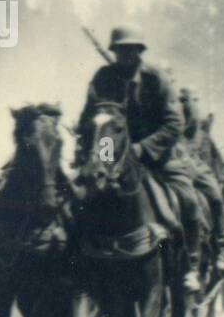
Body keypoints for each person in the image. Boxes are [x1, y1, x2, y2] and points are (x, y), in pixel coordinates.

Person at [75, 27, 207, 291]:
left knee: (190, 203)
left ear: (139, 52)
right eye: (121, 49)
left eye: (131, 49)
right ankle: (78, 269)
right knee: (76, 200)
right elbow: (88, 118)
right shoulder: (103, 78)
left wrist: (140, 149)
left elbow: (173, 123)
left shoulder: (156, 79)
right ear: (115, 51)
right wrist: (100, 150)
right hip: (111, 157)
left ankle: (189, 267)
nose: (126, 55)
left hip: (155, 159)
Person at [178, 88, 224, 271]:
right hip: (160, 160)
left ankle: (220, 246)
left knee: (216, 197)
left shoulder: (198, 126)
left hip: (191, 164)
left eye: (189, 101)